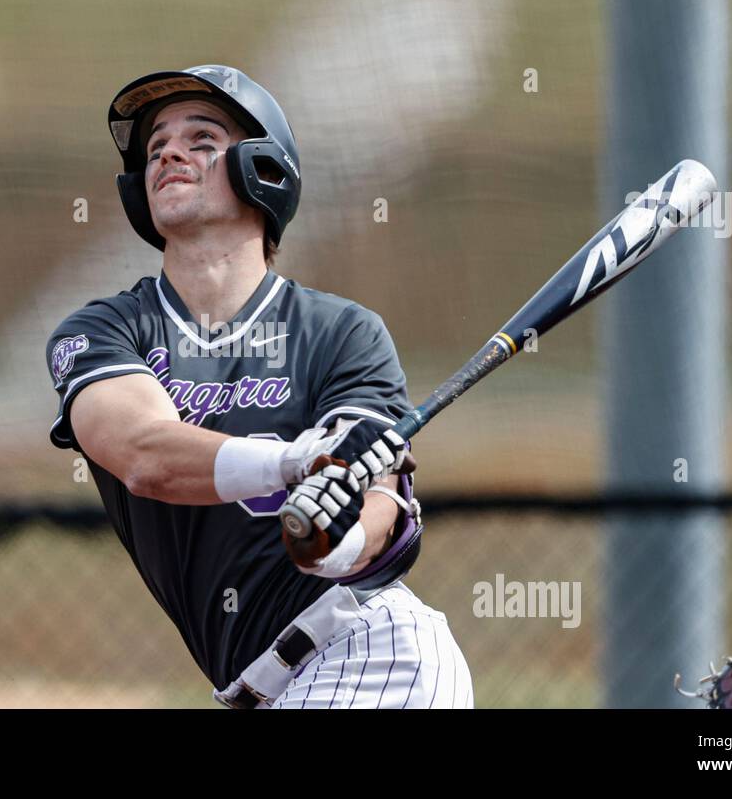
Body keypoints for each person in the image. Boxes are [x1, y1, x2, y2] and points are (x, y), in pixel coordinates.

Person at [45, 65, 471, 708]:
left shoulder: (340, 331)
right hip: (264, 689)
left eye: (202, 139)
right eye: (156, 147)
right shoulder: (106, 330)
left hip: (368, 654)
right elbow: (142, 453)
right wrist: (292, 461)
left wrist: (340, 545)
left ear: (262, 168)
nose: (169, 154)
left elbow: (380, 496)